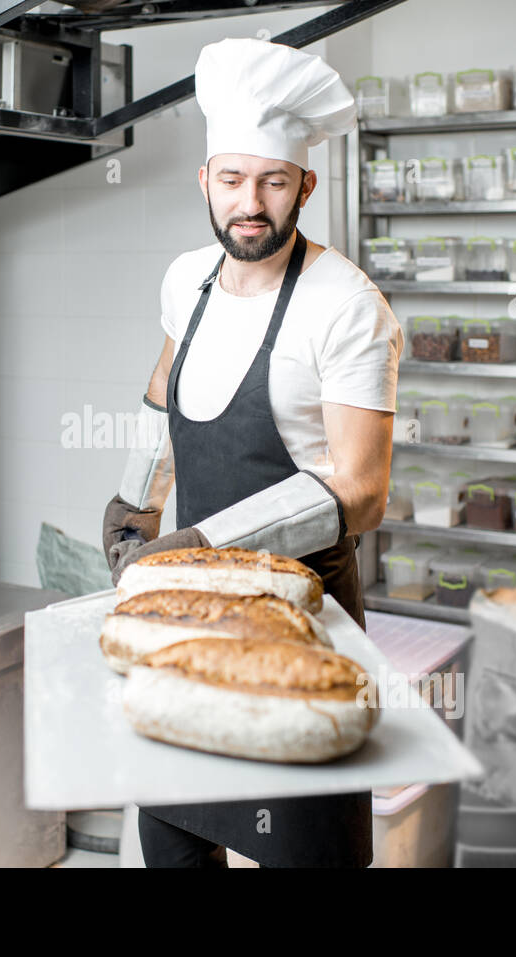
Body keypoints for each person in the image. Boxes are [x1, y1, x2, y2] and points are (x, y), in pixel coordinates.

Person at [100, 36, 403, 868]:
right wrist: (134, 503)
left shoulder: (346, 307)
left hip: (306, 626)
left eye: (273, 182)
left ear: (304, 183)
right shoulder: (186, 279)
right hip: (194, 619)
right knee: (175, 845)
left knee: (310, 854)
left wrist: (198, 545)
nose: (251, 205)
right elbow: (165, 391)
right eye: (232, 180)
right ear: (205, 181)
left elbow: (362, 489)